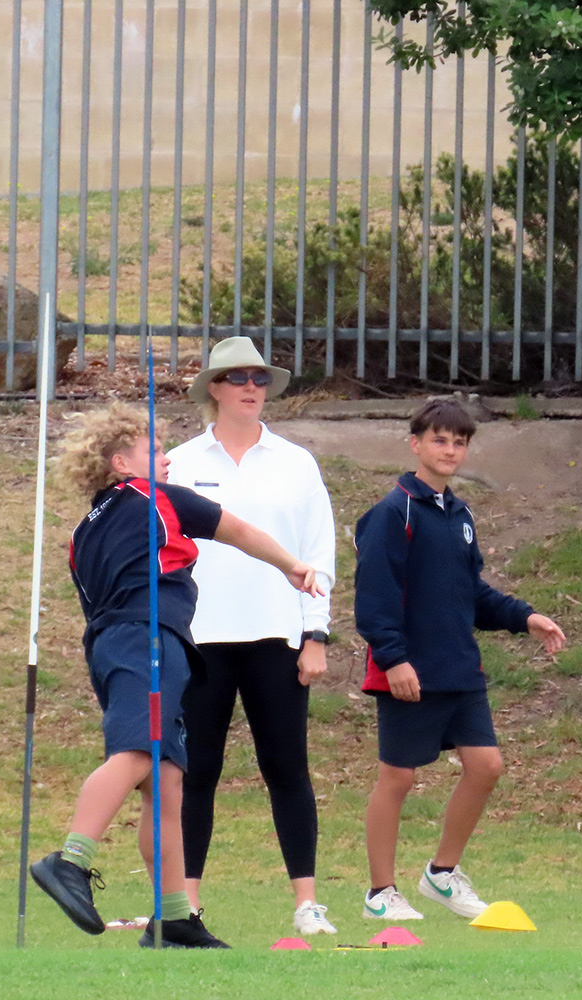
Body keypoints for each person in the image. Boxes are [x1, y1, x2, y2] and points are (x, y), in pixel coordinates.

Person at [29, 402, 321, 948]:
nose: (166, 458)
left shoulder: (82, 531)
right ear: (121, 462)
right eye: (154, 449)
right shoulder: (154, 498)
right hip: (148, 640)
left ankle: (173, 918)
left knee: (164, 779)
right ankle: (69, 860)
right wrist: (291, 564)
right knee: (140, 752)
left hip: (114, 645)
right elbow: (235, 530)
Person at [354, 398, 566, 922]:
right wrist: (395, 659)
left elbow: (469, 593)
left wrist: (525, 617)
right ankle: (380, 893)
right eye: (439, 440)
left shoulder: (460, 513)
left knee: (486, 766)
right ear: (416, 444)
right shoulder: (392, 512)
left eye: (459, 442)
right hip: (407, 672)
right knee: (397, 780)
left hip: (459, 670)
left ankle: (441, 874)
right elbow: (374, 600)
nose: (449, 450)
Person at [165, 336, 340, 936]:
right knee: (197, 773)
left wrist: (315, 633)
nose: (250, 387)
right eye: (236, 377)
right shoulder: (180, 463)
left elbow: (319, 553)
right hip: (200, 640)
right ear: (213, 388)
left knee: (287, 768)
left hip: (277, 636)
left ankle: (307, 902)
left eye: (259, 378)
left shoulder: (296, 463)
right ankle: (184, 905)